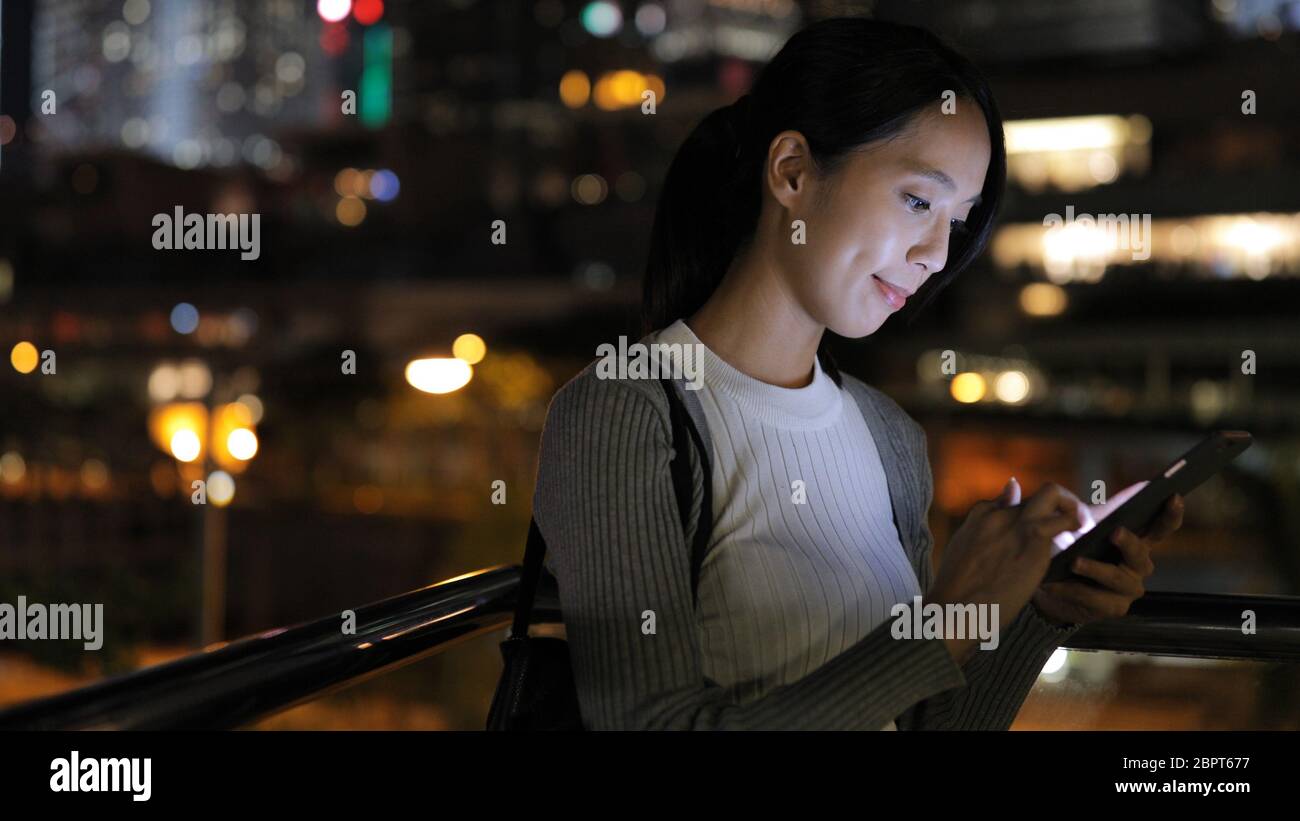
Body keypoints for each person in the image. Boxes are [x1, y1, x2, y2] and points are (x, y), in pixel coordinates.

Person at [531, 16, 1184, 730]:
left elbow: (926, 721)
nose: (936, 254)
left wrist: (1037, 609)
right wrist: (942, 623)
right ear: (793, 172)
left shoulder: (889, 436)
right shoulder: (624, 412)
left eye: (958, 222)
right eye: (917, 201)